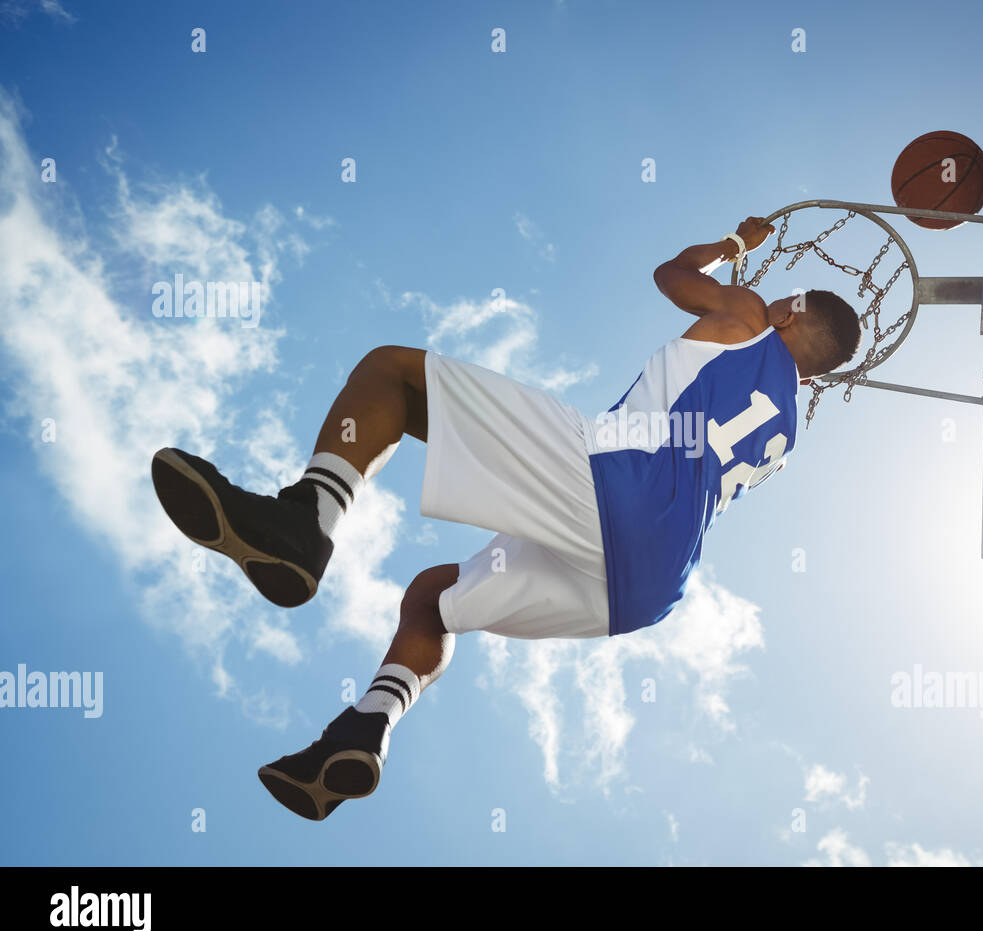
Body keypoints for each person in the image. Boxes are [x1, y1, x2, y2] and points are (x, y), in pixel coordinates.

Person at [150, 216, 862, 820]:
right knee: (435, 597)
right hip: (649, 587)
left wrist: (734, 244)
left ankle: (305, 522)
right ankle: (364, 729)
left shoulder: (747, 313)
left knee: (393, 371)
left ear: (792, 312)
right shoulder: (788, 438)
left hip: (620, 482)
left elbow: (669, 273)